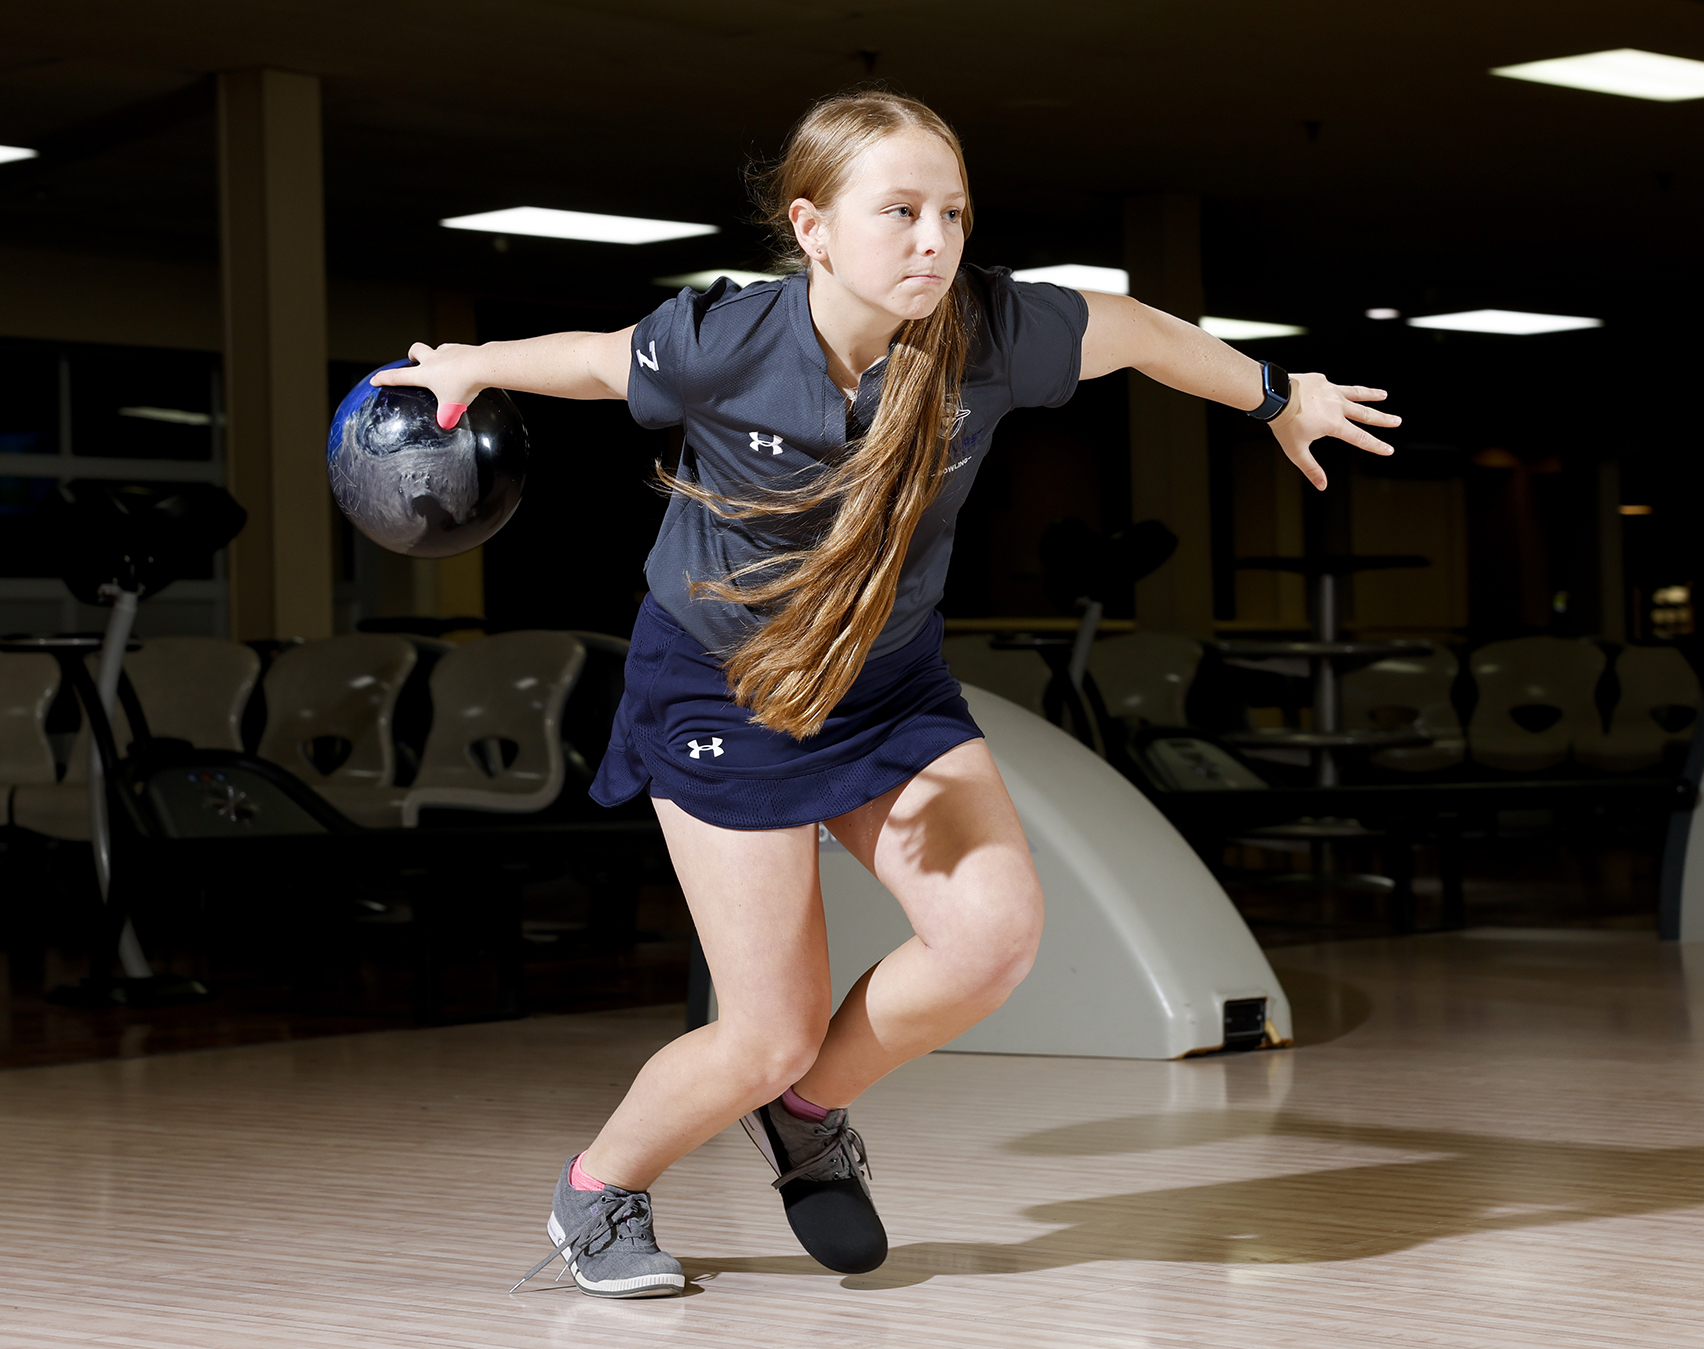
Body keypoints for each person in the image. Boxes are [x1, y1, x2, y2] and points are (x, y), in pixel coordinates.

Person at [375, 89, 1398, 1298]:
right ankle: (601, 1188)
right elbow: (603, 361)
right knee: (765, 1029)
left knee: (992, 935)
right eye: (901, 211)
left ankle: (802, 1111)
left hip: (885, 685)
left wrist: (1279, 395)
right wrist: (478, 365)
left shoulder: (992, 331)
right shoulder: (725, 338)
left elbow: (1132, 329)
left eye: (953, 213)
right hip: (720, 688)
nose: (935, 239)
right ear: (811, 228)